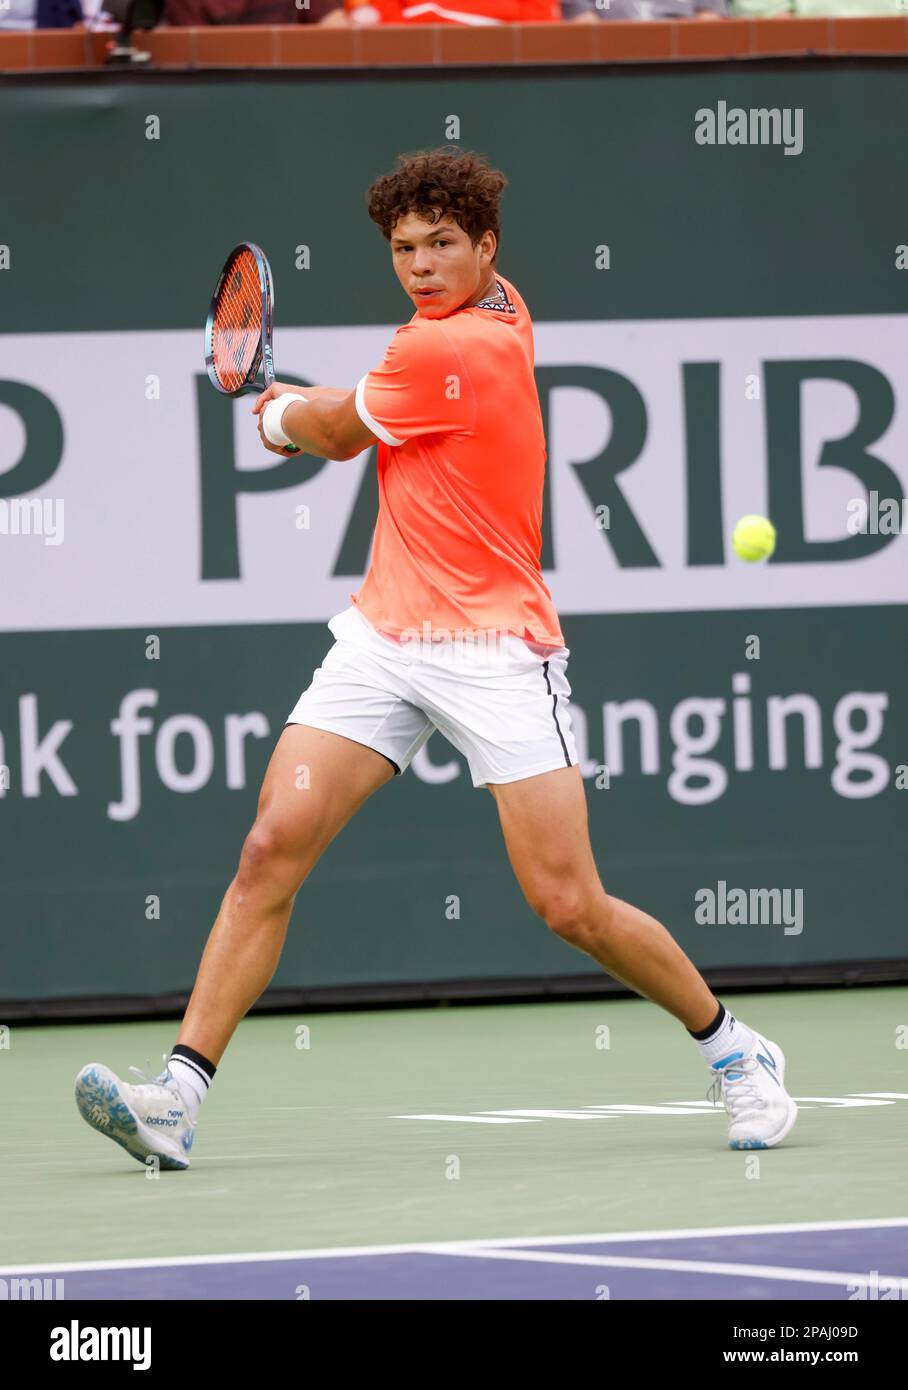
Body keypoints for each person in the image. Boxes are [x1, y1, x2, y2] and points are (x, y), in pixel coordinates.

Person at [75, 147, 797, 1170]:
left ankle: (735, 1050)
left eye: (441, 245)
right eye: (403, 249)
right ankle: (178, 1096)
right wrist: (307, 411)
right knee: (268, 847)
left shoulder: (464, 349)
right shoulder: (485, 313)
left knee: (567, 904)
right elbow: (364, 408)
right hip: (381, 638)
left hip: (493, 649)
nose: (419, 265)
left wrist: (274, 413)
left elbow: (333, 430)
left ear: (484, 246)